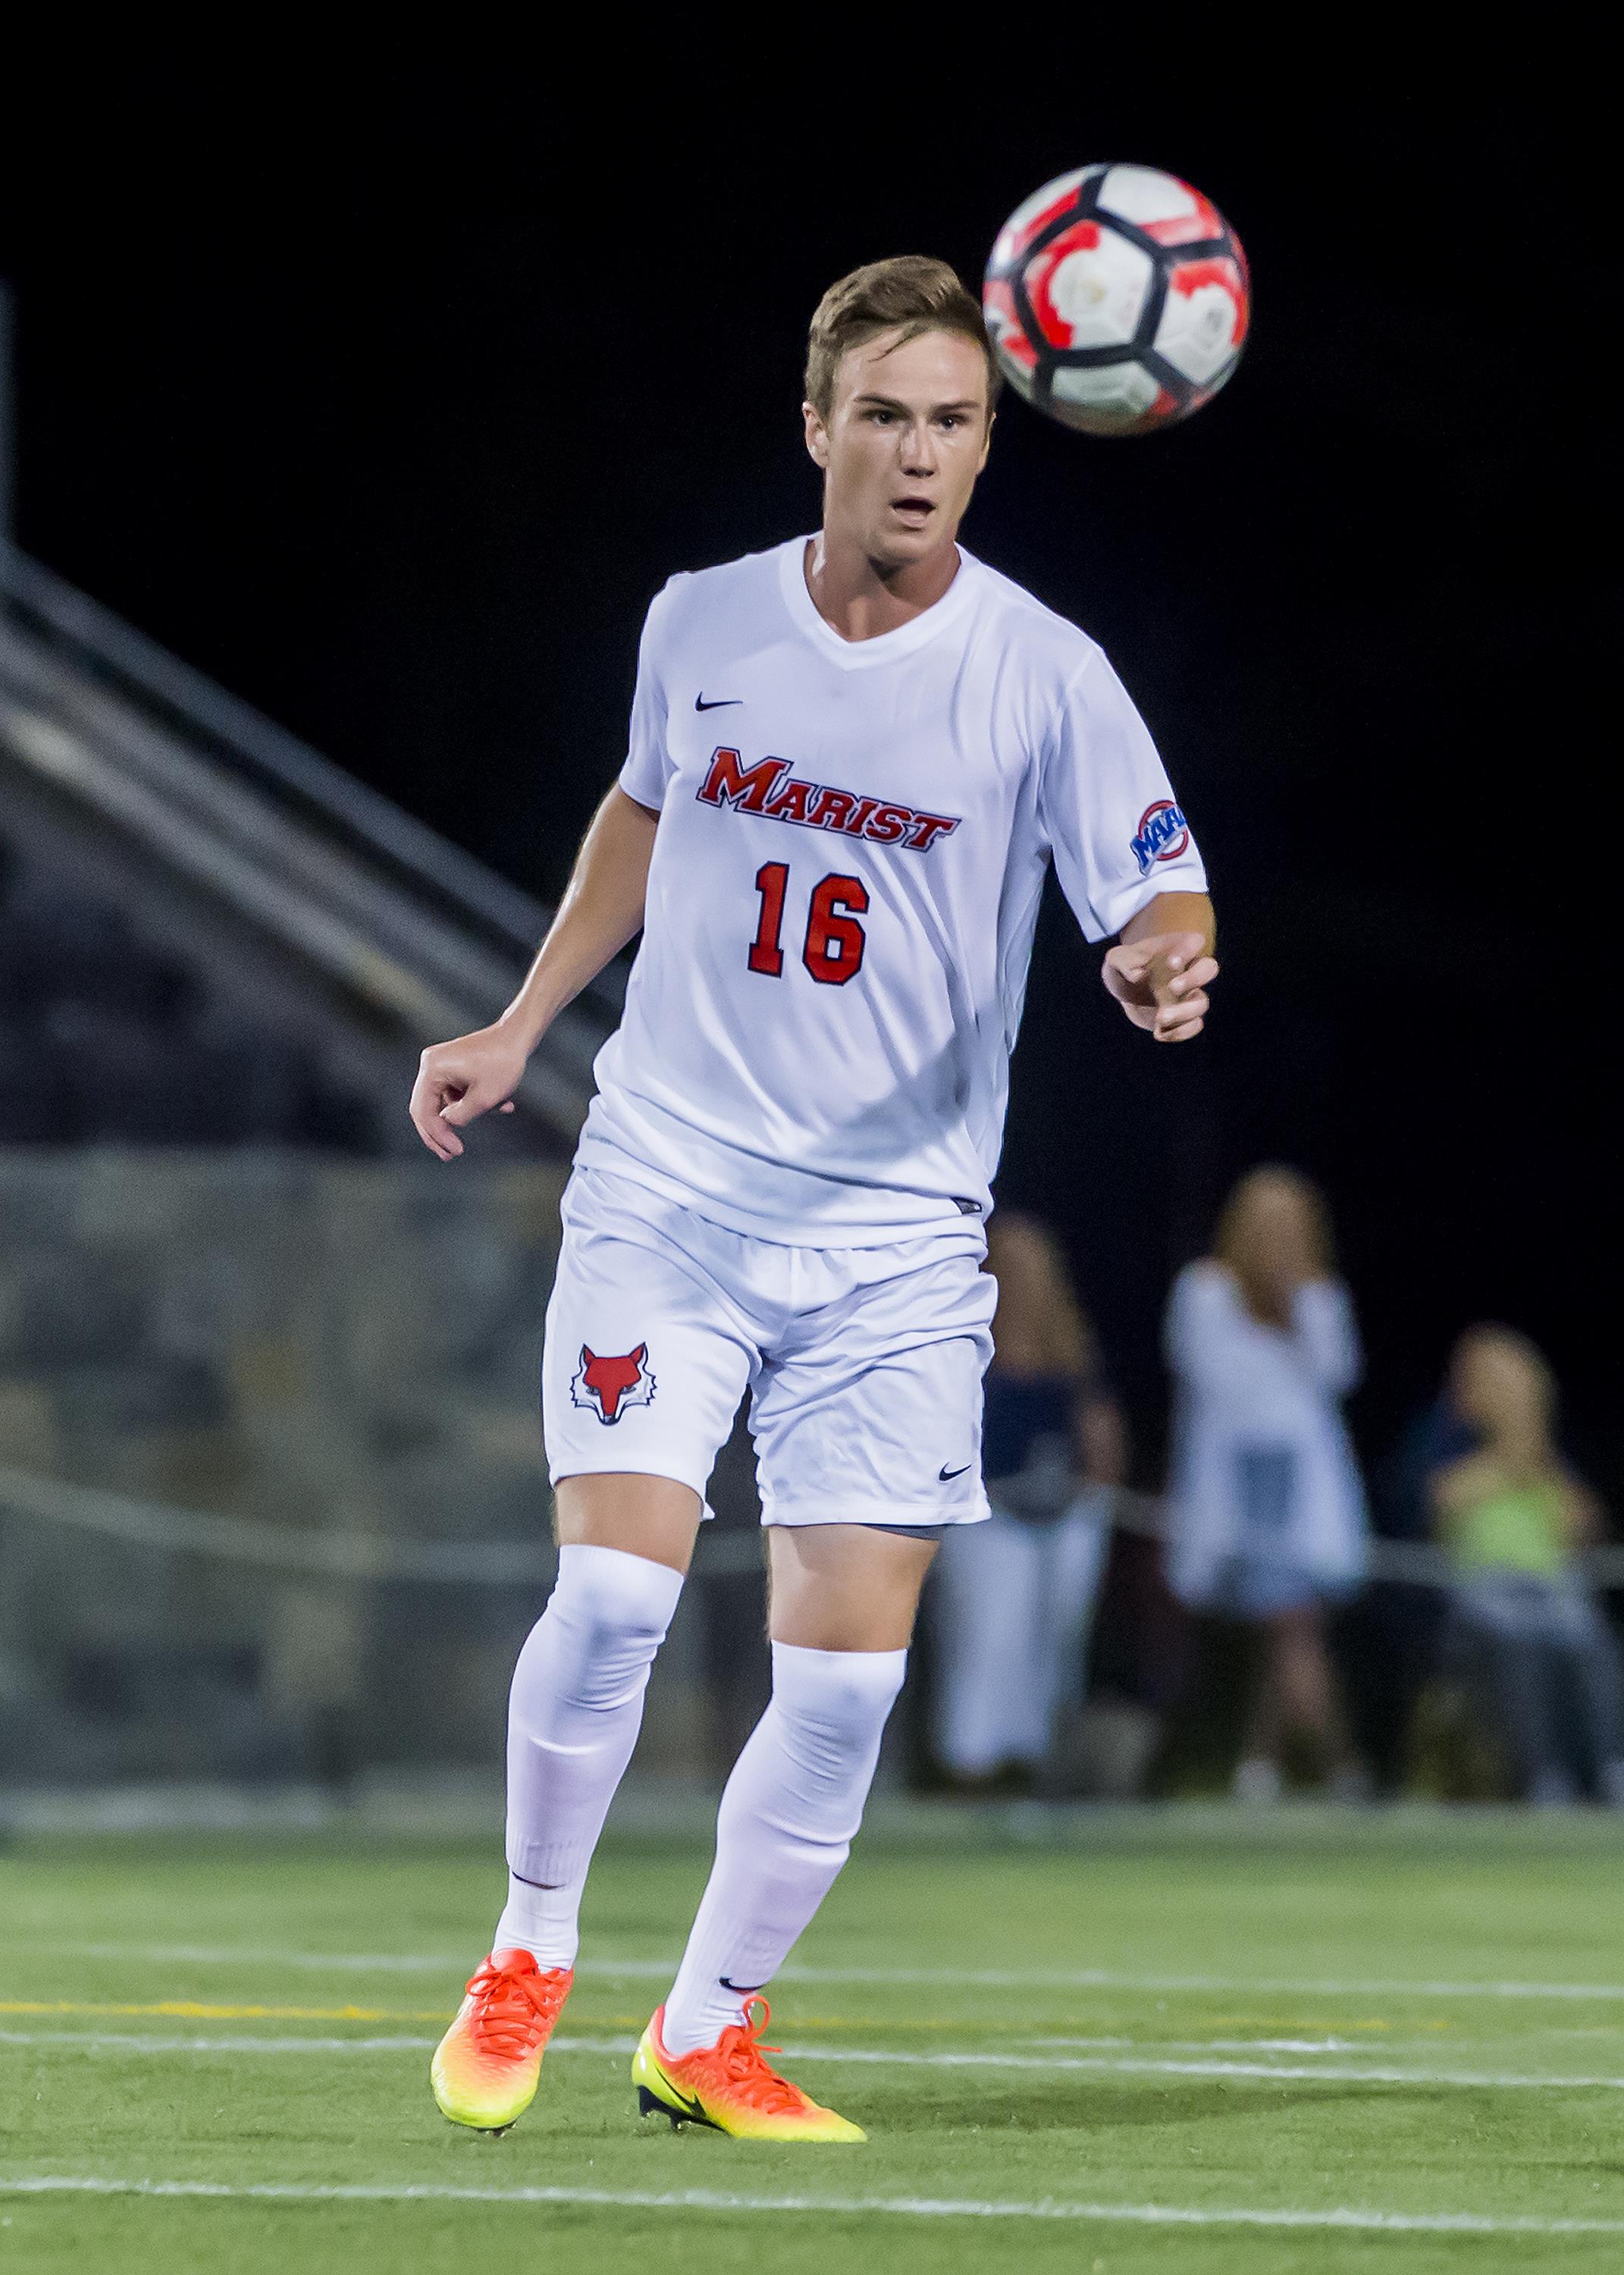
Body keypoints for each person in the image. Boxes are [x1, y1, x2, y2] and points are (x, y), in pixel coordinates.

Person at [409, 256, 1216, 2142]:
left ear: (988, 443)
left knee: (846, 1687)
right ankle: (528, 1946)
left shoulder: (1047, 671)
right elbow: (643, 806)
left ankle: (704, 2028)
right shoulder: (701, 620)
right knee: (614, 1591)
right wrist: (526, 1019)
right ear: (817, 429)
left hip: (897, 1244)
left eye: (951, 421)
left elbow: (1165, 890)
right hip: (671, 1185)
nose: (917, 454)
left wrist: (1163, 961)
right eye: (884, 416)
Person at [1165, 1166, 1366, 1802]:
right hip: (1238, 1481)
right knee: (1286, 1627)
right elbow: (1214, 1379)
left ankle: (1277, 1767)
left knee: (1290, 1624)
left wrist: (1292, 1313)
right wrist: (1264, 1318)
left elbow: (1338, 1374)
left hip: (1302, 1486)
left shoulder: (1319, 1299)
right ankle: (1329, 1766)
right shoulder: (1203, 1291)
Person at [932, 1212, 1125, 1788]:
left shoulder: (1071, 1351)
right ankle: (970, 1765)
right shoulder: (964, 1344)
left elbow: (1101, 1436)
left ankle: (1035, 1765)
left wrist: (1094, 1495)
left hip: (1062, 1521)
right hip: (987, 1522)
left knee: (1051, 1646)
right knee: (988, 1638)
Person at [1432, 1325, 1624, 1806]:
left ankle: (1610, 1768)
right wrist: (1505, 1468)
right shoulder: (1449, 1444)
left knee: (1593, 1648)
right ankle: (1543, 1777)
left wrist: (1538, 1467)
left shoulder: (1548, 1464)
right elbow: (1443, 1505)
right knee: (1519, 1648)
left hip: (1555, 1594)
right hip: (1485, 1602)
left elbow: (1581, 1529)